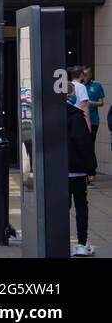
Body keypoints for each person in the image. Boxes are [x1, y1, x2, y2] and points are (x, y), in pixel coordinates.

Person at [68, 91, 97, 256]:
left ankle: (59, 241)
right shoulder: (77, 118)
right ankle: (81, 244)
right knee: (80, 206)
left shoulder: (52, 116)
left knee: (61, 207)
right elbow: (84, 145)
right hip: (77, 171)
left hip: (58, 171)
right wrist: (91, 168)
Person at [81, 66, 102, 178]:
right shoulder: (79, 86)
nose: (84, 77)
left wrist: (90, 103)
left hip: (93, 120)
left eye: (86, 74)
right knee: (84, 145)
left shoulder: (97, 85)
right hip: (81, 120)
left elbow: (101, 102)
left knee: (90, 145)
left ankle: (91, 171)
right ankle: (88, 170)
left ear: (90, 75)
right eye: (83, 74)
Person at [68, 65, 91, 132]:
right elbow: (84, 106)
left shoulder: (68, 85)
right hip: (78, 119)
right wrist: (88, 125)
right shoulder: (81, 87)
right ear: (81, 75)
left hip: (68, 118)